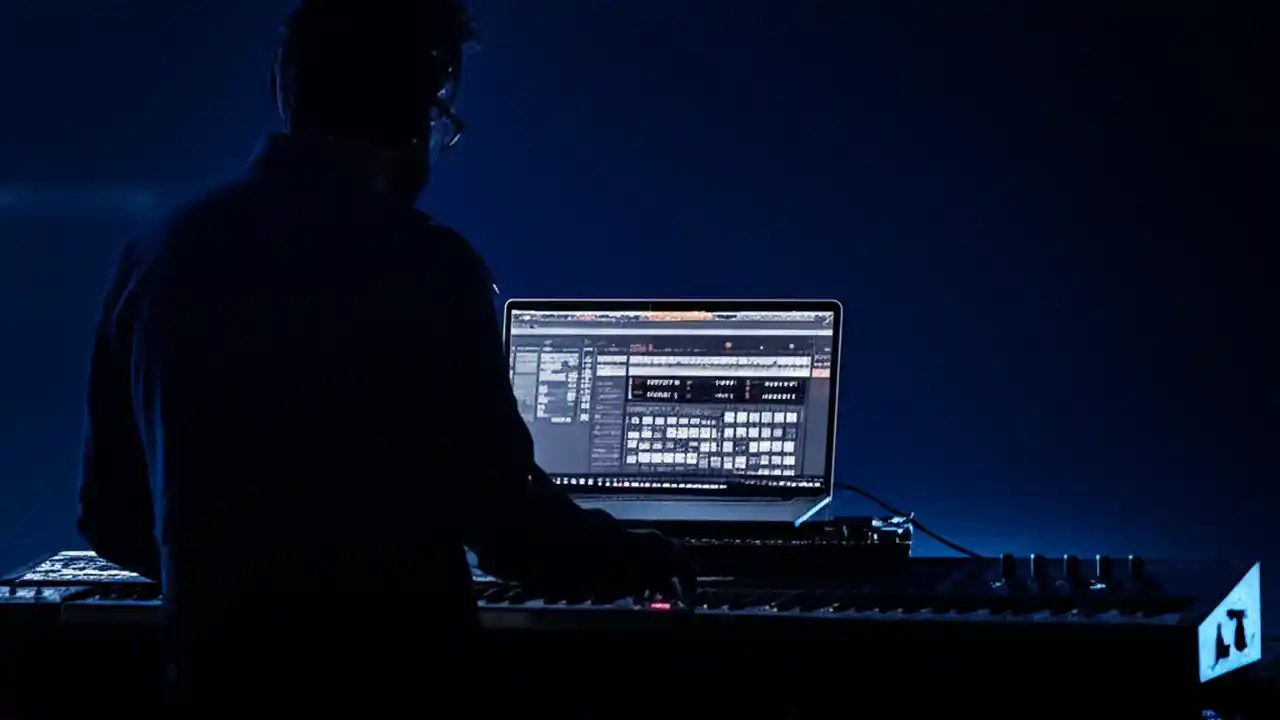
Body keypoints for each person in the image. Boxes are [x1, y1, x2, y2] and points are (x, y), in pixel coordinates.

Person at [75, 0, 691, 713]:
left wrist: (235, 575)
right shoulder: (429, 267)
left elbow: (110, 517)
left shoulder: (155, 256)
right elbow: (510, 531)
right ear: (418, 112)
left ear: (285, 87)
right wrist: (645, 555)